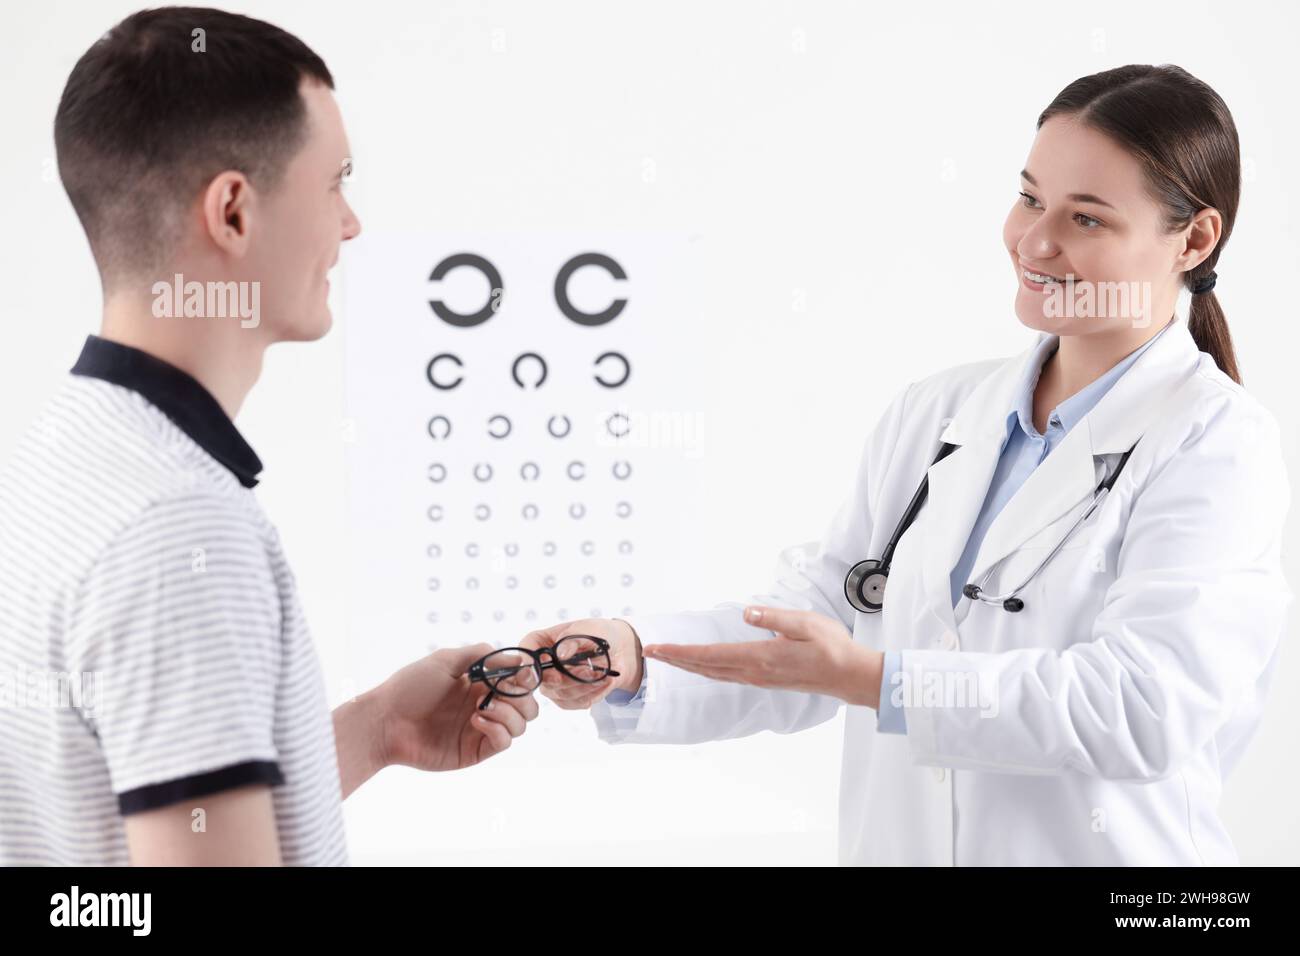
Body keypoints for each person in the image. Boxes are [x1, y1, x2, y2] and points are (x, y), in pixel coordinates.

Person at [522, 64, 1292, 865]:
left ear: (1195, 239)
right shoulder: (940, 413)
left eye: (1087, 219)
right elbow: (822, 614)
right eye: (1029, 198)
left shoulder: (1217, 443)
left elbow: (1143, 708)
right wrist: (636, 654)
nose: (1034, 242)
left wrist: (879, 682)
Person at [0, 7, 536, 866]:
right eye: (335, 183)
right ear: (234, 212)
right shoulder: (179, 527)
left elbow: (137, 812)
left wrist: (379, 729)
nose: (350, 225)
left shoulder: (64, 456)